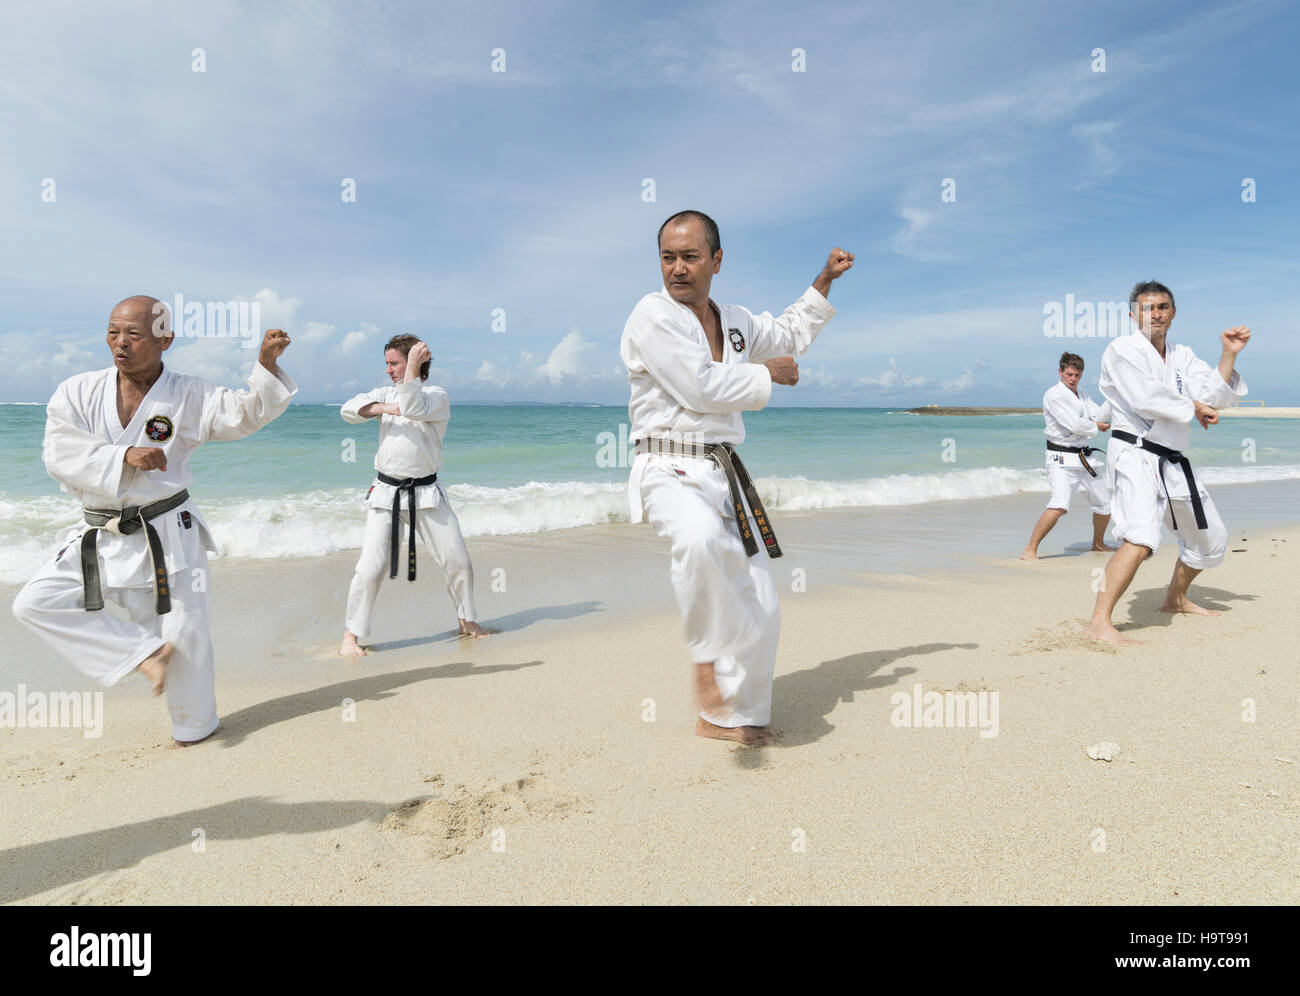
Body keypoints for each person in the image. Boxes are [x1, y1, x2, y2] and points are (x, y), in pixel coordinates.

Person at [12, 296, 295, 745]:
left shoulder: (191, 393)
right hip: (100, 533)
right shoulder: (77, 390)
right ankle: (142, 653)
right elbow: (57, 453)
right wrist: (122, 455)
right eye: (112, 332)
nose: (119, 344)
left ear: (165, 339)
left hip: (167, 534)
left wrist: (264, 366)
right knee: (36, 602)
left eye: (134, 334)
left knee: (186, 637)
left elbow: (244, 414)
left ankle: (194, 729)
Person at [620, 209, 853, 745]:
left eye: (690, 257)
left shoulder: (738, 322)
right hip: (666, 464)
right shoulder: (651, 314)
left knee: (764, 605)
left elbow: (791, 331)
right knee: (698, 541)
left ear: (716, 260)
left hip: (722, 472)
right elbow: (700, 387)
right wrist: (768, 373)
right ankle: (705, 661)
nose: (677, 269)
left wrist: (823, 280)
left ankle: (729, 716)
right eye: (667, 257)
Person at [1084, 281, 1250, 645]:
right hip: (1134, 454)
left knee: (1209, 538)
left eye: (1162, 307)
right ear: (1133, 315)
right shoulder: (1121, 349)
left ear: (1173, 312)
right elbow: (1145, 397)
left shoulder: (1182, 354)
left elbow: (1209, 392)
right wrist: (1193, 408)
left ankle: (1174, 598)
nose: (1155, 313)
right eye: (1147, 308)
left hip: (1171, 462)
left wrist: (1228, 355)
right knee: (1140, 538)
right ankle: (1099, 621)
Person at [339, 334, 492, 656]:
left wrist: (408, 380)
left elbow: (412, 405)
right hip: (386, 493)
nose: (389, 370)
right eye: (387, 364)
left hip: (427, 494)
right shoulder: (384, 393)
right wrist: (383, 407)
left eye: (394, 363)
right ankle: (350, 636)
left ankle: (467, 620)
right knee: (371, 567)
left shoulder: (437, 396)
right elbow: (348, 410)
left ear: (413, 363)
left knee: (458, 561)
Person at [1020, 351, 1114, 560]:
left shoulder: (1082, 394)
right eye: (1069, 374)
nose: (1073, 379)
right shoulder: (1053, 395)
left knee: (1105, 504)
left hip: (1083, 459)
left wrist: (1115, 395)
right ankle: (1030, 550)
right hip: (1060, 458)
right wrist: (1097, 427)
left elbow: (1097, 414)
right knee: (1060, 504)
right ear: (1060, 372)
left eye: (1077, 375)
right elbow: (1074, 424)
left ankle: (1097, 544)